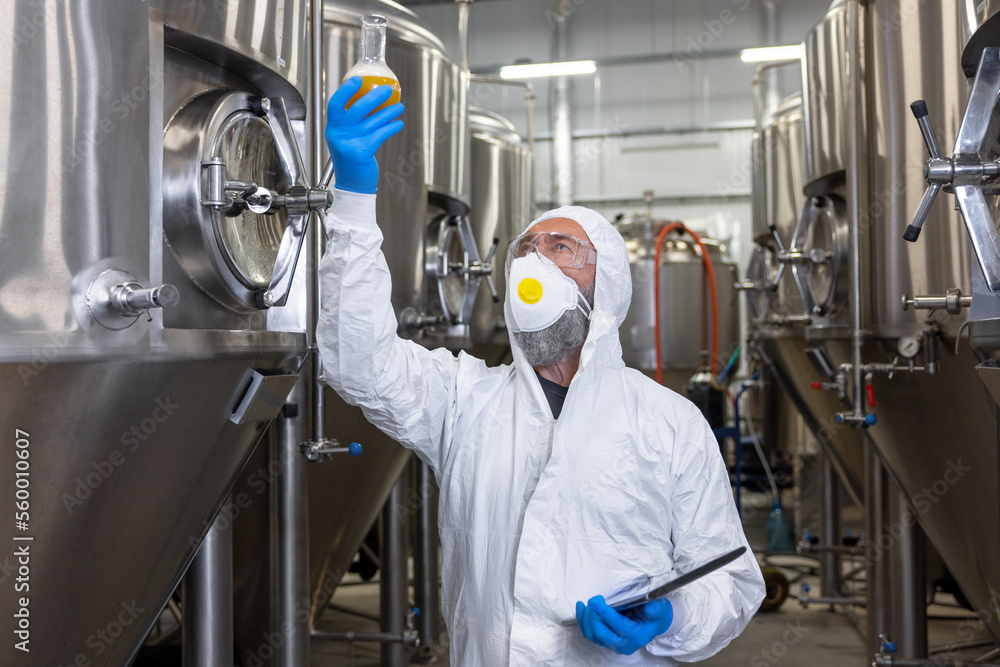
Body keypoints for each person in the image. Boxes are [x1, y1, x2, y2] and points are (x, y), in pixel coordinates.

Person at [318, 77, 765, 666]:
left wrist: (672, 618)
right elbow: (358, 359)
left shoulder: (669, 422)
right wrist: (351, 196)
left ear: (605, 286)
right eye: (526, 248)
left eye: (560, 247)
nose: (533, 258)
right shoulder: (462, 400)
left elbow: (730, 581)